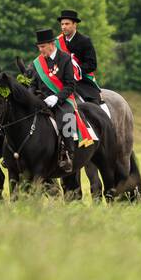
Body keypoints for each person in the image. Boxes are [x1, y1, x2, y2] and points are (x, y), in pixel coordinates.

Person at [29, 27, 92, 174]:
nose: (41, 50)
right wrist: (29, 97)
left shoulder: (65, 59)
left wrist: (57, 97)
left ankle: (68, 153)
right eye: (39, 47)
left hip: (63, 100)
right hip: (42, 100)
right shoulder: (37, 63)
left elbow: (70, 85)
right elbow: (33, 84)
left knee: (67, 118)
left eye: (43, 47)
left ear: (52, 44)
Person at [56, 10, 107, 116]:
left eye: (67, 24)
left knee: (93, 105)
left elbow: (92, 65)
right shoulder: (57, 42)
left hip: (81, 79)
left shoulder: (85, 41)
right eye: (62, 24)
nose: (63, 27)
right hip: (61, 79)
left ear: (75, 25)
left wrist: (73, 71)